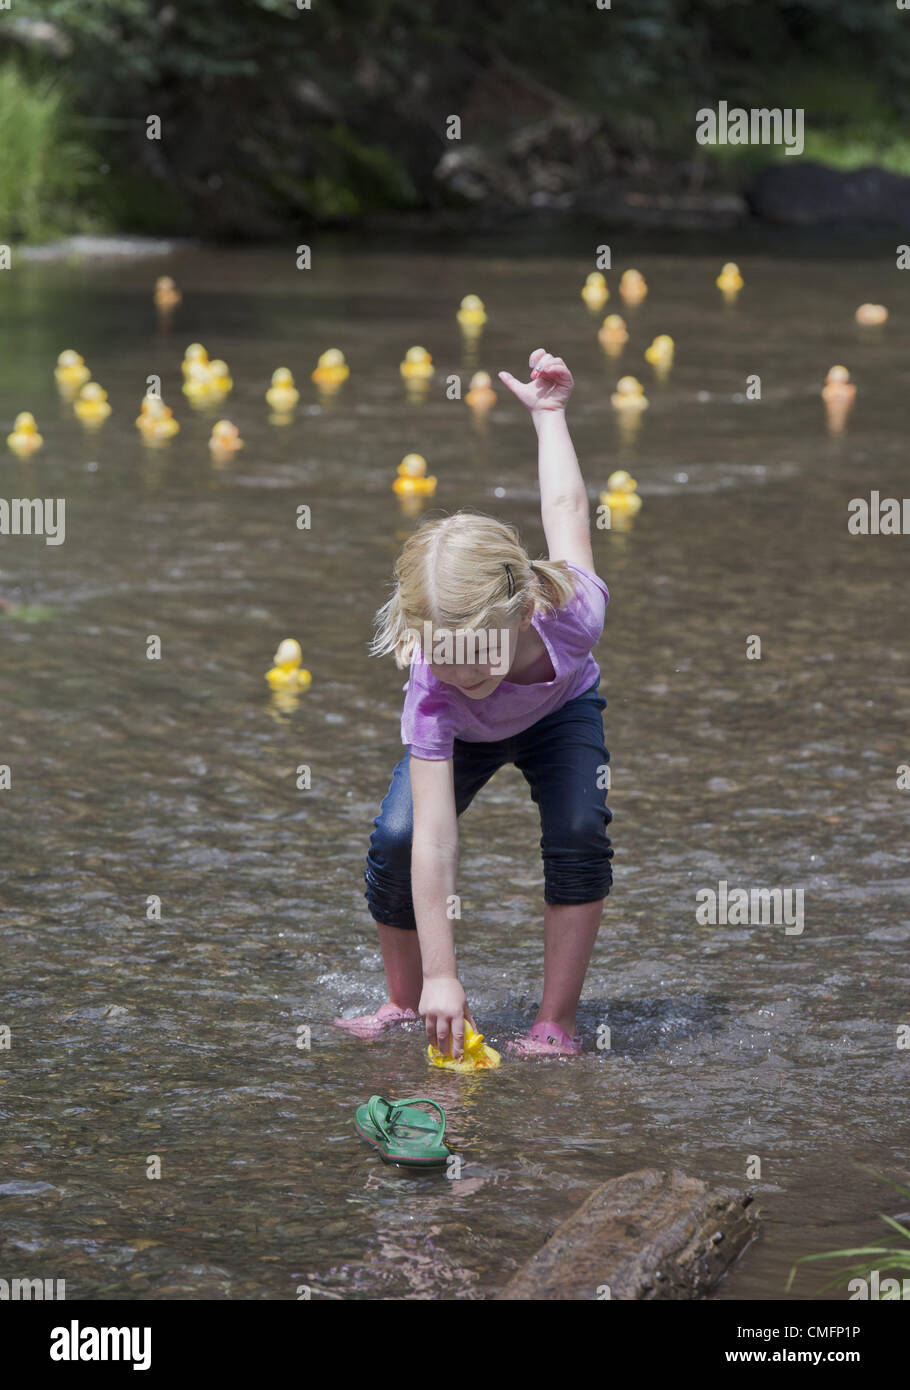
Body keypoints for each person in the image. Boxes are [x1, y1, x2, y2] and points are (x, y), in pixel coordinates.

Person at [335, 349, 613, 1056]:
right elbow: (434, 841)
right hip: (466, 740)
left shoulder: (572, 613)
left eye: (478, 654)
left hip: (559, 715)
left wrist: (549, 417)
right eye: (445, 658)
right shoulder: (436, 689)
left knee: (579, 831)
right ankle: (404, 999)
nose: (464, 672)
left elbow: (565, 508)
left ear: (522, 613)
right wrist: (442, 976)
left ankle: (556, 1022)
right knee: (397, 839)